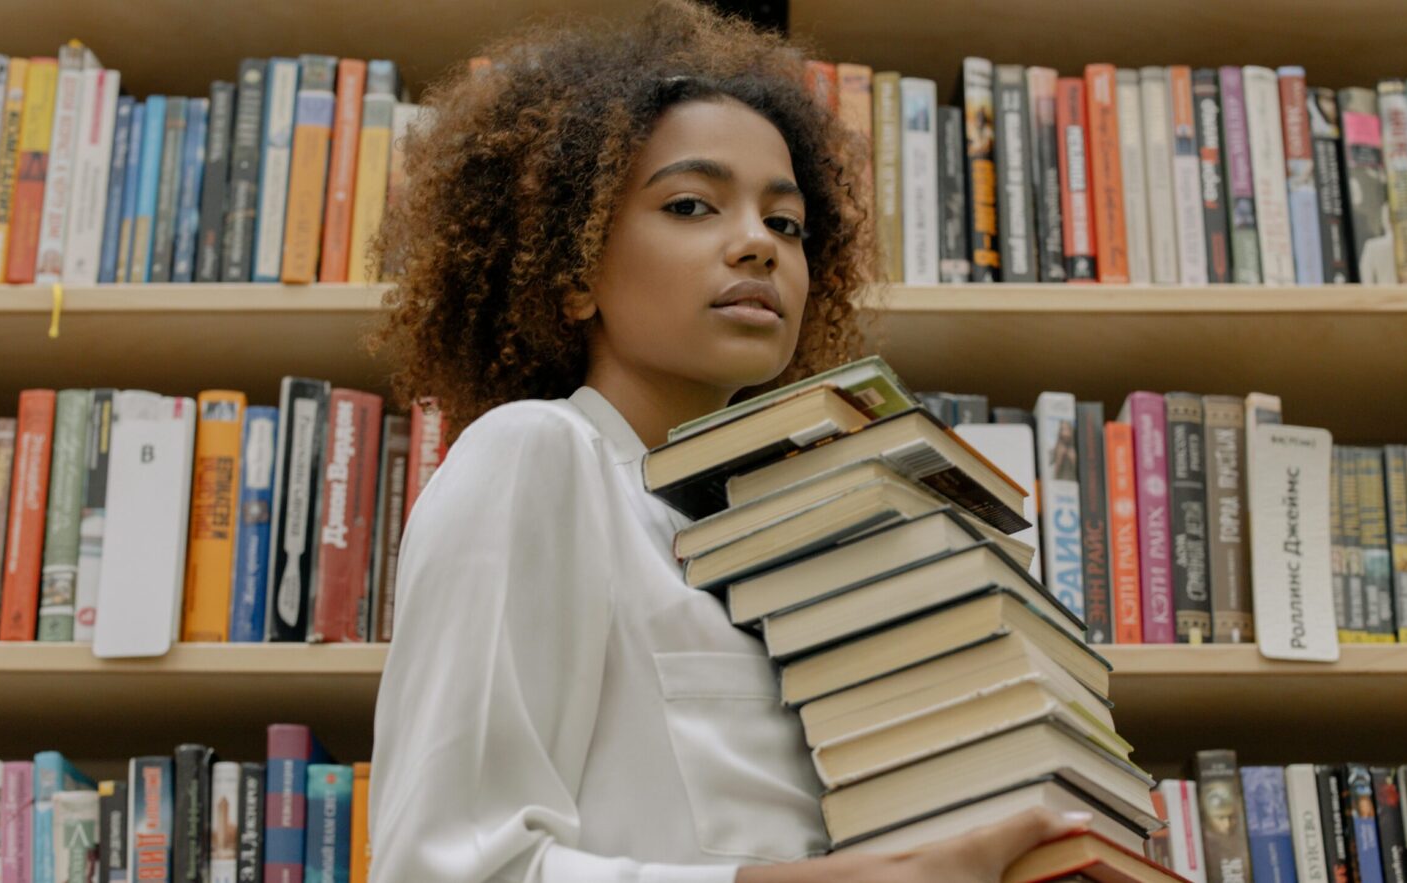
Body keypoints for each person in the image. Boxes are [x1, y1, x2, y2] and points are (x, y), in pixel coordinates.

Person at [367, 2, 1091, 881]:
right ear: (573, 274)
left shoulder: (790, 537)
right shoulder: (537, 456)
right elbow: (447, 866)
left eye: (786, 223)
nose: (757, 244)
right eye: (691, 204)